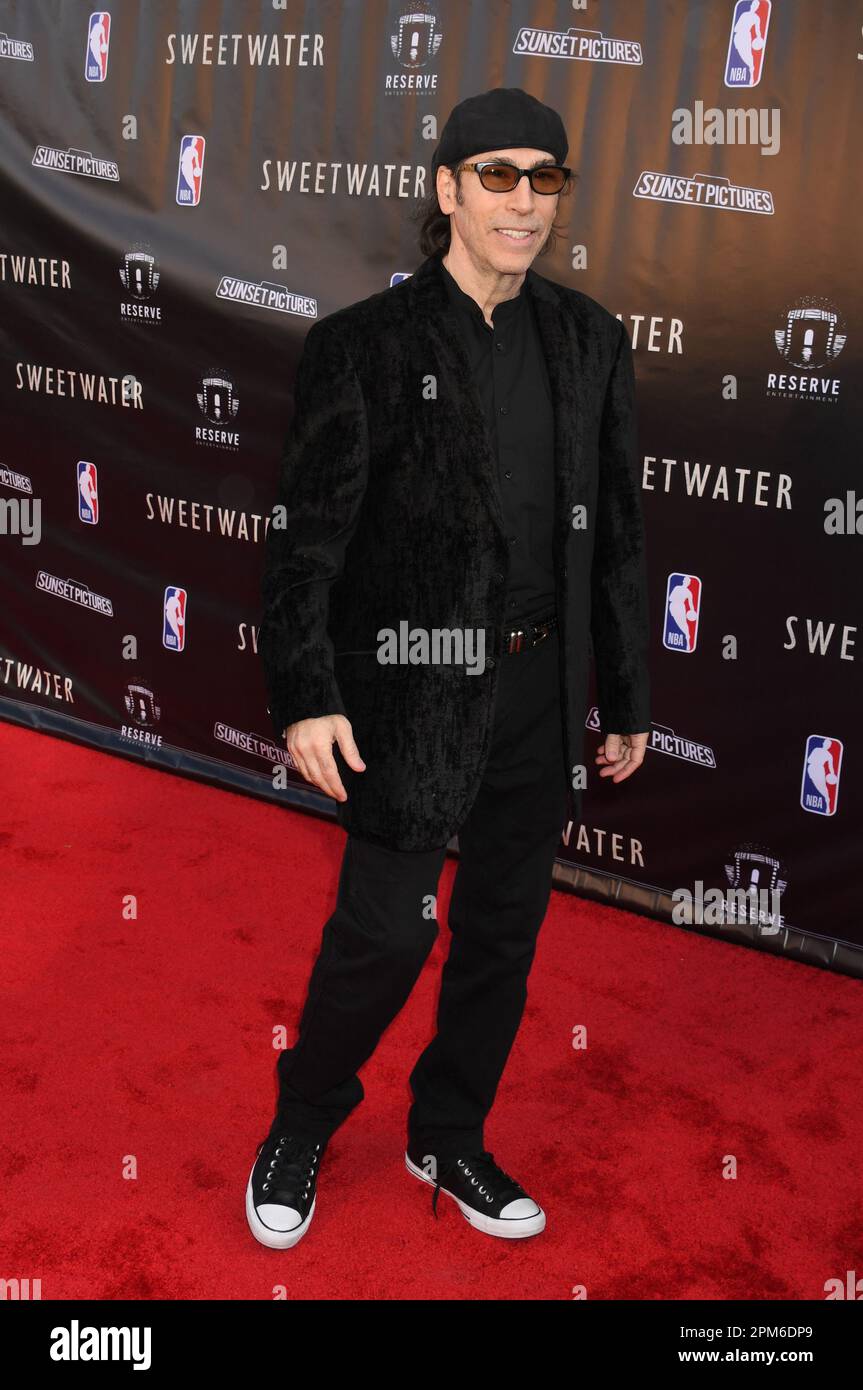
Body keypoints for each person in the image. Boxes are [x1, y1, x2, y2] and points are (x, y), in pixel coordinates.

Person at [248, 87, 651, 1248]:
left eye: (544, 178)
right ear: (447, 191)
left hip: (536, 693)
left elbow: (616, 533)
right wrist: (307, 692)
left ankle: (449, 1130)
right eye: (497, 175)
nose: (523, 200)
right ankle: (304, 1116)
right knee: (380, 931)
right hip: (409, 694)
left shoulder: (588, 339)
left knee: (502, 934)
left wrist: (620, 694)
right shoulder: (361, 348)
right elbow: (303, 543)